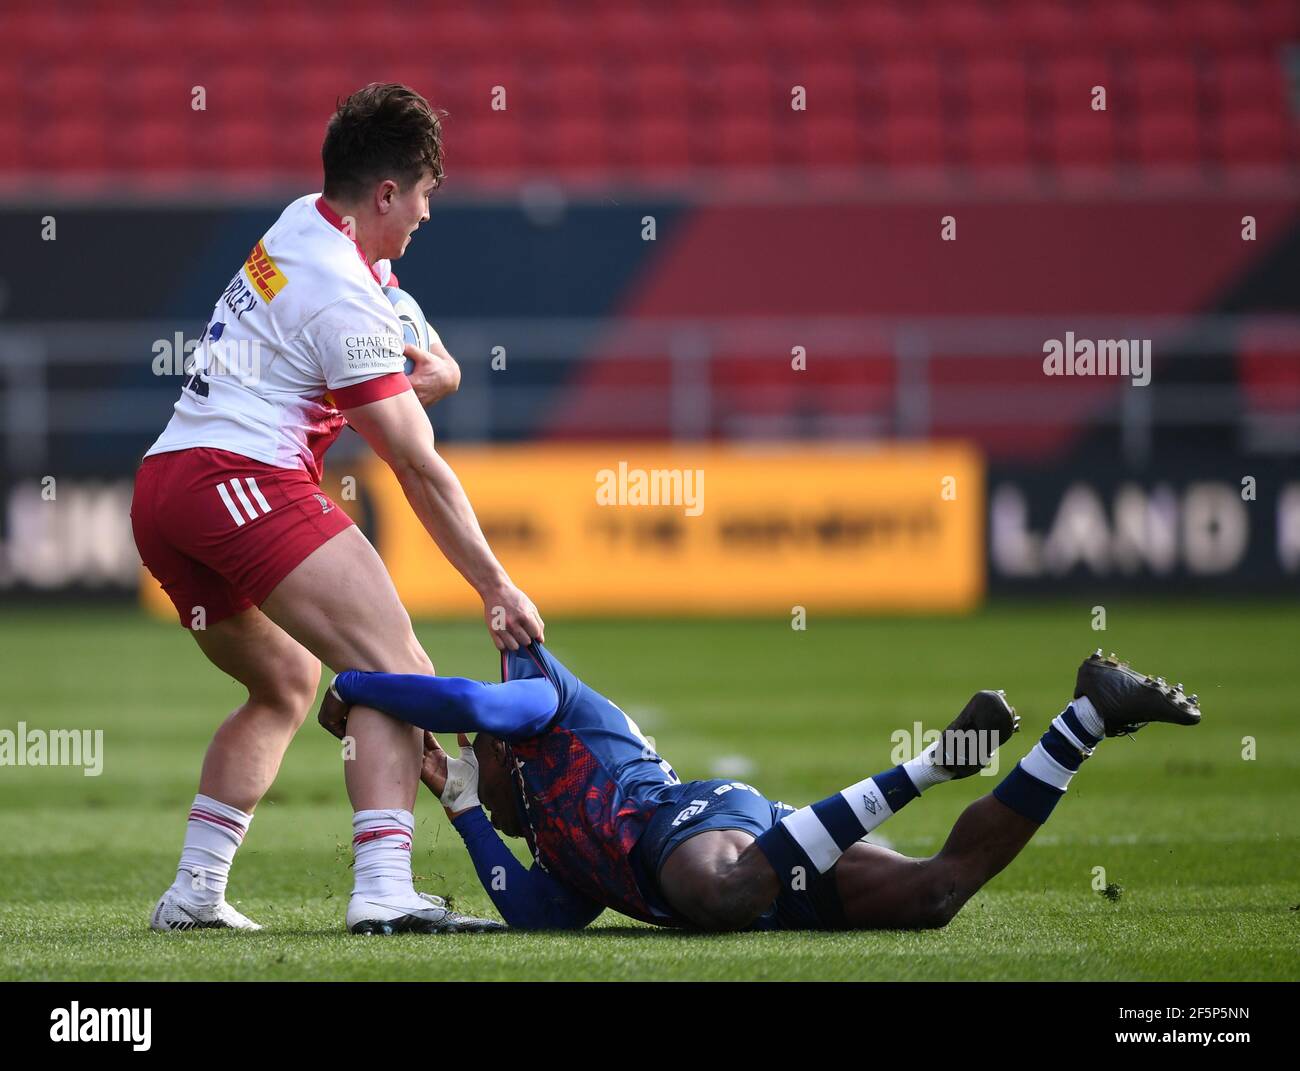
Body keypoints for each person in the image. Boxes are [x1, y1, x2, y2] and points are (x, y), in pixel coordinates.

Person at [132, 83, 541, 935]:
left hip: (169, 484)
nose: (428, 214)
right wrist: (496, 586)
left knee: (285, 682)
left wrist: (431, 377)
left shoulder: (305, 224)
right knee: (392, 665)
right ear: (386, 193)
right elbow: (416, 466)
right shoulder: (338, 291)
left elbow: (397, 344)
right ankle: (385, 889)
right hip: (237, 479)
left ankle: (195, 892)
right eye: (425, 194)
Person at [315, 644, 1200, 931]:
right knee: (934, 892)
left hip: (697, 821)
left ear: (501, 747)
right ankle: (1088, 719)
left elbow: (469, 698)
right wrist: (461, 807)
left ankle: (934, 763)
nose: (481, 779)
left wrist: (356, 684)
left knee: (714, 890)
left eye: (480, 765)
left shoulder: (547, 703)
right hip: (761, 847)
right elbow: (539, 917)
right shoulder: (547, 839)